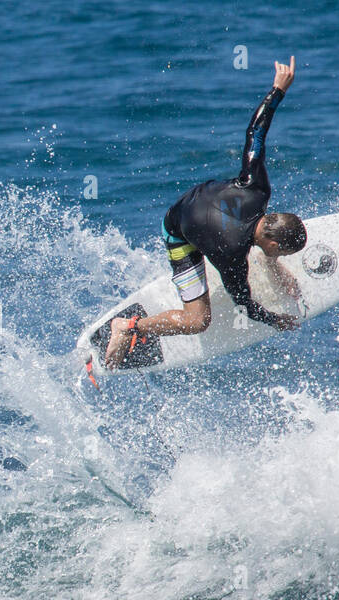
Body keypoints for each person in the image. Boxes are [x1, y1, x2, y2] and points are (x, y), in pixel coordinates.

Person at [105, 56, 306, 368]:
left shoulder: (257, 188)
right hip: (178, 234)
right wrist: (275, 320)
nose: (279, 252)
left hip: (192, 202)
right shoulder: (233, 255)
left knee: (246, 240)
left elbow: (255, 133)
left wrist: (277, 90)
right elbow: (244, 304)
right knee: (198, 320)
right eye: (280, 252)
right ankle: (129, 328)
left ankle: (271, 264)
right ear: (273, 243)